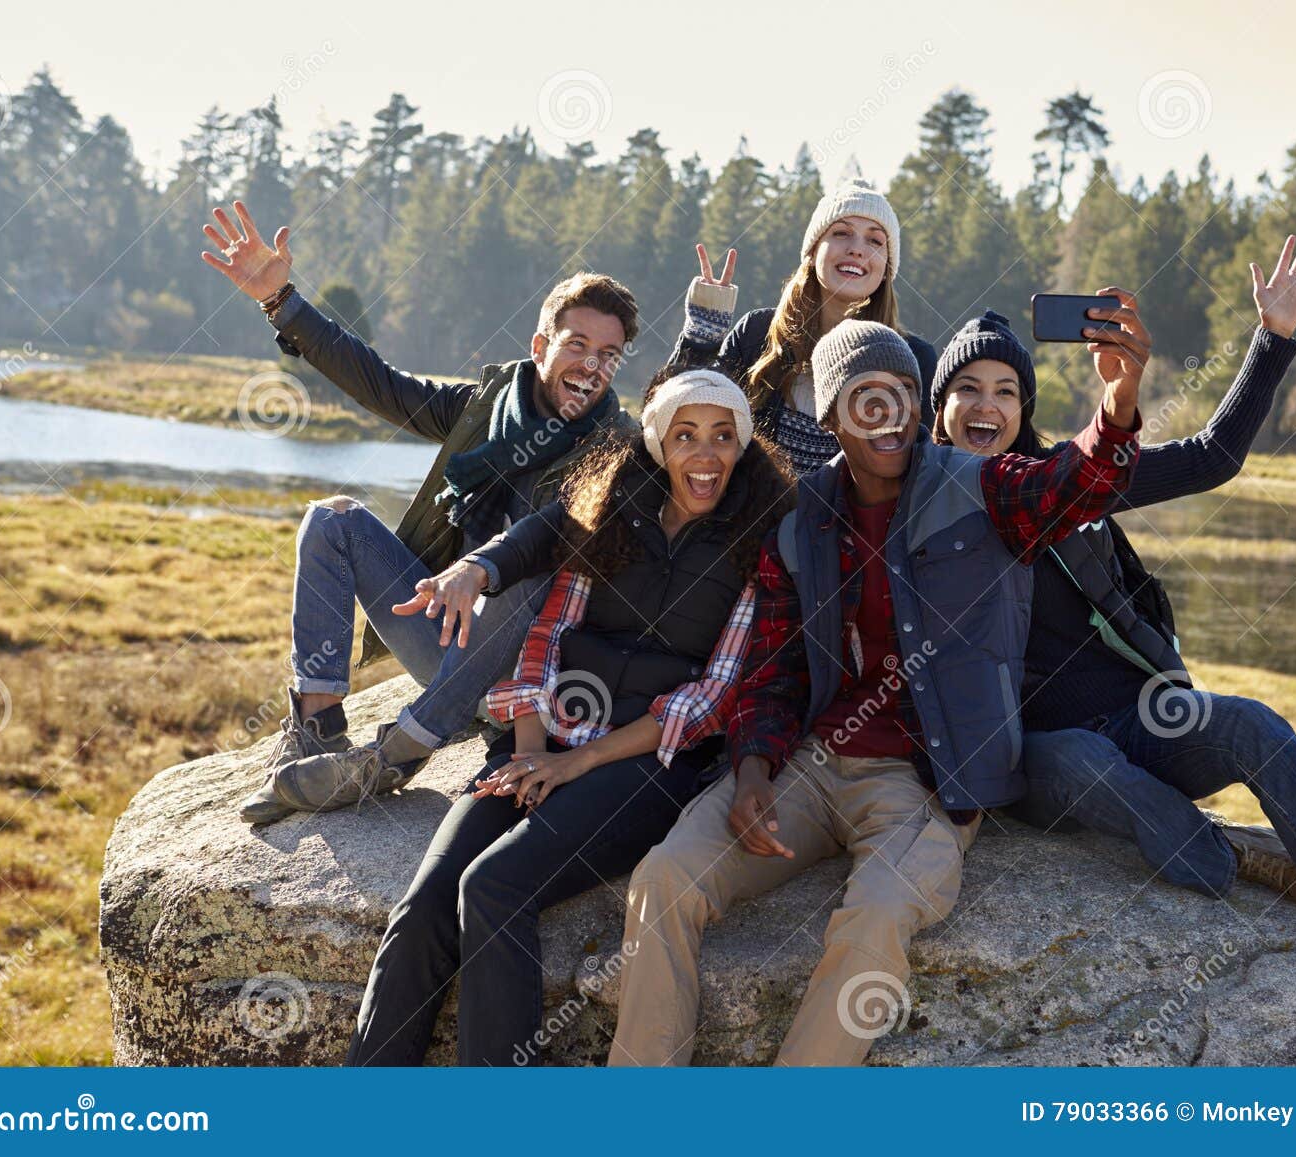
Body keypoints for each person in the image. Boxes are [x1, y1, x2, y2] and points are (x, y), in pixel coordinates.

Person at [932, 237, 1296, 1003]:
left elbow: (1212, 456)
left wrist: (1272, 340)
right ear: (937, 406)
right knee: (1081, 759)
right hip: (1037, 752)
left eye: (1006, 390)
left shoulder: (1071, 481)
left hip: (1142, 717)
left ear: (1025, 408)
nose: (987, 405)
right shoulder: (922, 510)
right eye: (967, 387)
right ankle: (1229, 854)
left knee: (1251, 723)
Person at [609, 313, 1145, 1066]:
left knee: (877, 917)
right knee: (666, 876)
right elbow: (773, 670)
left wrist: (1117, 408)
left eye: (901, 394)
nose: (888, 414)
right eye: (866, 397)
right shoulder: (799, 520)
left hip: (925, 783)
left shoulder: (982, 487)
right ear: (831, 417)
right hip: (811, 766)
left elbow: (1074, 485)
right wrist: (755, 769)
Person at [341, 367, 793, 1064]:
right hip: (541, 738)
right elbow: (546, 637)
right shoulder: (607, 509)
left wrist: (571, 762)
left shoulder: (759, 537)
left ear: (742, 446)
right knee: (427, 899)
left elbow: (711, 697)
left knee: (493, 884)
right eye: (685, 435)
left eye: (723, 437)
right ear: (656, 443)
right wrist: (529, 751)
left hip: (645, 767)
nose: (706, 455)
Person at [199, 201, 640, 823]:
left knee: (543, 566)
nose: (592, 367)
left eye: (609, 354)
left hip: (526, 678)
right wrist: (282, 303)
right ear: (541, 345)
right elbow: (380, 383)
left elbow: (550, 536)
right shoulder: (485, 408)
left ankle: (402, 752)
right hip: (443, 636)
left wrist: (480, 568)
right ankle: (318, 730)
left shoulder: (616, 447)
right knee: (333, 520)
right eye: (578, 345)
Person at [669, 179, 938, 475]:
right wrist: (701, 336)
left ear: (887, 266)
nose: (857, 250)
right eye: (841, 233)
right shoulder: (757, 334)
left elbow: (920, 473)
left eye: (874, 240)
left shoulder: (915, 359)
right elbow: (675, 421)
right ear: (812, 250)